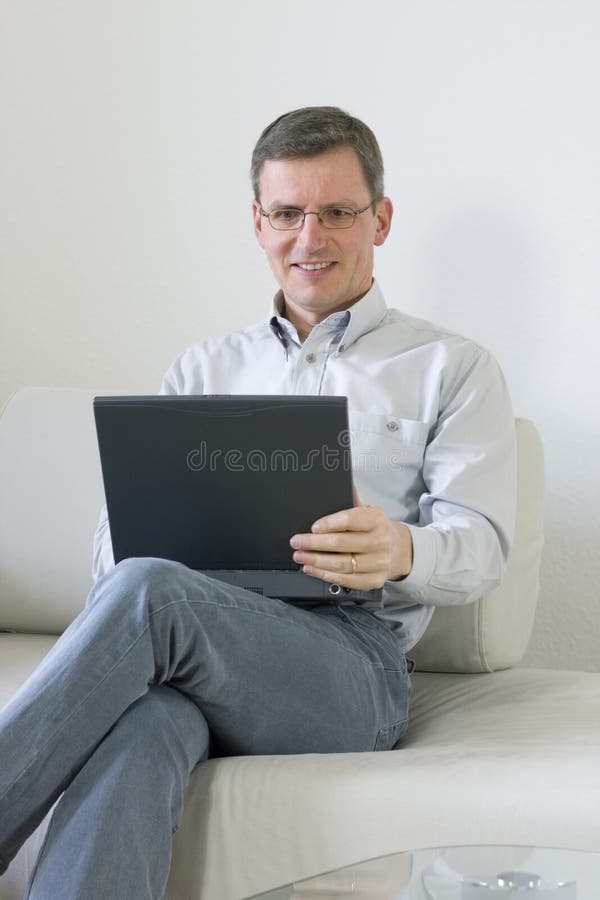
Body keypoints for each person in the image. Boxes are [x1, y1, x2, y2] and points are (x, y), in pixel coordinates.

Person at [0, 106, 516, 899]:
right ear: (258, 222)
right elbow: (113, 552)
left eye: (337, 212)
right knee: (145, 721)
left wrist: (402, 549)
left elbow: (481, 545)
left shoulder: (451, 366)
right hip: (190, 643)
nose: (310, 238)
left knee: (150, 591)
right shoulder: (202, 368)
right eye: (287, 213)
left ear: (379, 219)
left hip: (351, 663)